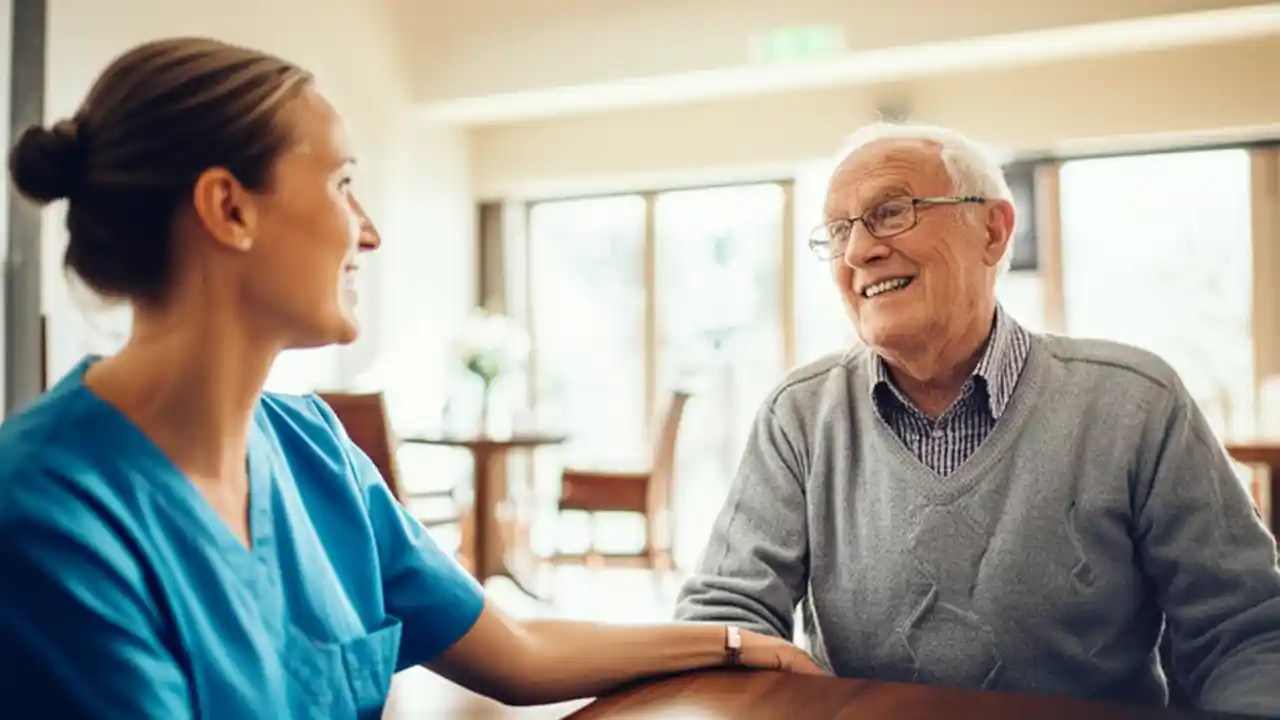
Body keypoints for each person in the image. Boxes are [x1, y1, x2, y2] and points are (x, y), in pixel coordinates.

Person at [0, 37, 824, 719]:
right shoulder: (44, 515)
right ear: (229, 209)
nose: (371, 232)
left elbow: (518, 650)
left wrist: (734, 642)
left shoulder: (312, 450)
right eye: (342, 184)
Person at [674, 122, 1280, 717]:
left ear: (993, 230)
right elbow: (724, 619)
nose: (859, 250)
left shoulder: (1137, 402)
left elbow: (1245, 632)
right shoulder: (799, 417)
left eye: (892, 212)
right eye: (838, 231)